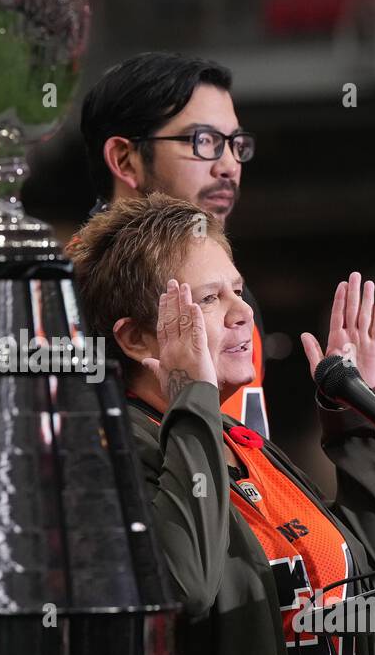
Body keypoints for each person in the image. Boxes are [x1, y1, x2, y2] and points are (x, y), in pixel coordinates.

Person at [68, 193, 375, 655]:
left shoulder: (240, 441)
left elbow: (369, 573)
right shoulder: (106, 454)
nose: (241, 311)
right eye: (208, 299)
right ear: (140, 338)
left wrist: (355, 420)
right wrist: (191, 395)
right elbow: (182, 587)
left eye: (238, 290)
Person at [79, 51, 270, 436]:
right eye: (204, 140)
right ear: (124, 159)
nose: (229, 165)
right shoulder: (64, 302)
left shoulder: (238, 298)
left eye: (235, 144)